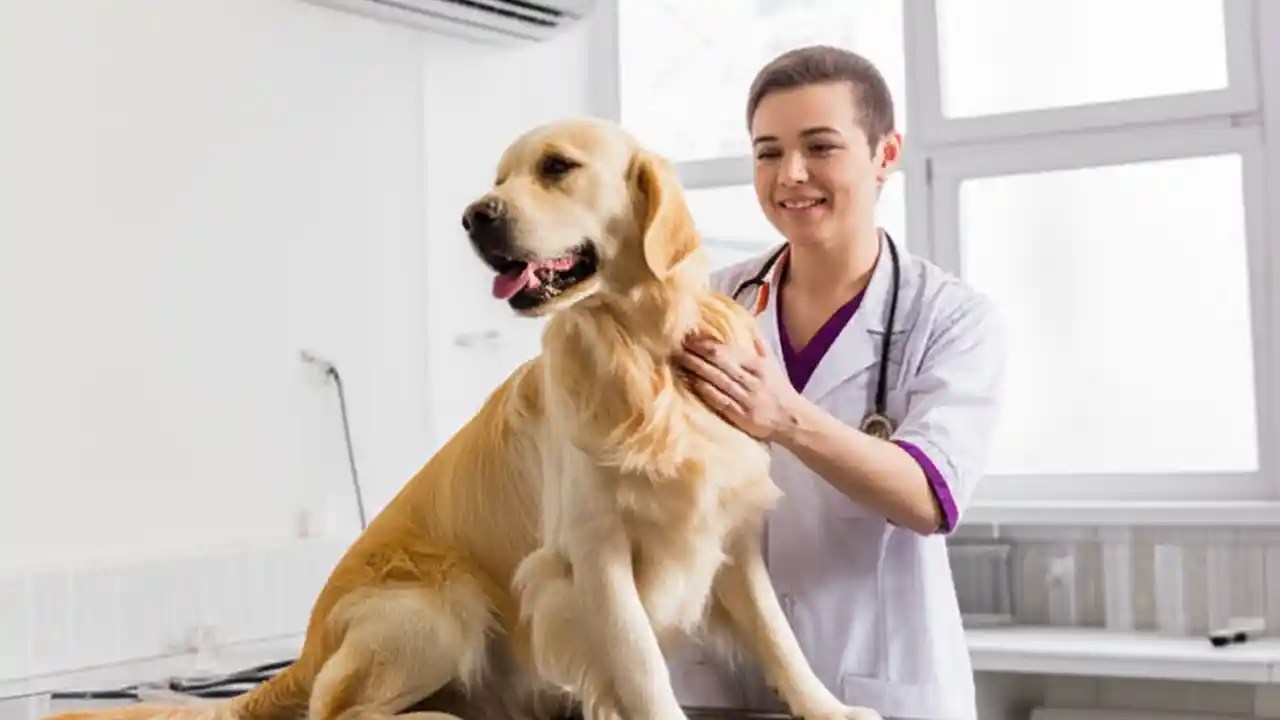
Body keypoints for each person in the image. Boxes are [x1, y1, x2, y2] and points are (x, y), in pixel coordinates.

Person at [671, 45, 1006, 720]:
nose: (791, 175)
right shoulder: (706, 306)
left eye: (820, 147)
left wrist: (785, 417)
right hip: (722, 684)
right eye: (768, 152)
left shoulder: (950, 318)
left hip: (879, 682)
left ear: (886, 154)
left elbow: (929, 498)